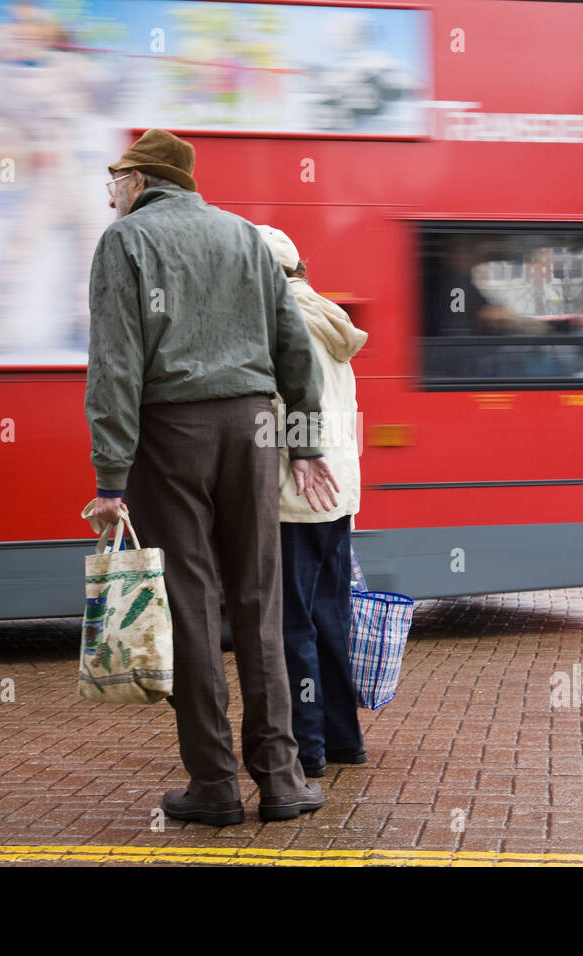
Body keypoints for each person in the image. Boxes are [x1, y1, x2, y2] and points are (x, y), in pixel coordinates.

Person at [83, 129, 340, 826]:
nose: (112, 194)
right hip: (254, 429)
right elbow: (294, 345)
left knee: (192, 608)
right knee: (260, 600)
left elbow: (115, 364)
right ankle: (283, 781)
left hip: (171, 435)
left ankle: (215, 786)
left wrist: (111, 478)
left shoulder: (126, 242)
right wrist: (305, 443)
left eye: (116, 181)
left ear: (141, 182)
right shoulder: (245, 237)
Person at [256, 224, 369, 780]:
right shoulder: (328, 318)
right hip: (337, 494)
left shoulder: (282, 322)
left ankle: (308, 748)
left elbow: (289, 412)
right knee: (329, 617)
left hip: (295, 495)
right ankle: (343, 738)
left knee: (292, 623)